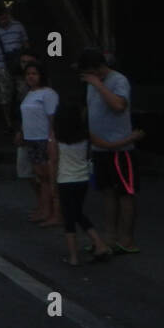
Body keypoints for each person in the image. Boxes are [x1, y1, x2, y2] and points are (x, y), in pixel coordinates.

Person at [79, 47, 138, 254]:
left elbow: (119, 106)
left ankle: (127, 239)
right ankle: (109, 237)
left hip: (120, 146)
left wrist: (98, 85)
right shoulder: (90, 84)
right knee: (107, 193)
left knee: (125, 193)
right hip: (99, 146)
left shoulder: (118, 80)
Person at [53, 104, 113, 266]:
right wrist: (129, 139)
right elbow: (105, 145)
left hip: (65, 179)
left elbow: (54, 160)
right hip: (82, 178)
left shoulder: (57, 136)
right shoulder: (85, 135)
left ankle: (74, 256)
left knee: (70, 218)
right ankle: (98, 244)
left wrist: (53, 184)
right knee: (77, 213)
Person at [17, 62, 59, 226]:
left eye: (34, 73)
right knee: (41, 177)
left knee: (49, 177)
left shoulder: (48, 93)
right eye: (28, 74)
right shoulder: (28, 94)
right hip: (31, 139)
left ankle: (54, 213)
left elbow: (52, 117)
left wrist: (51, 138)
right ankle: (43, 210)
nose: (31, 77)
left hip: (44, 138)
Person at [0, 6, 28, 134]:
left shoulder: (18, 26)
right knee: (4, 95)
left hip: (19, 66)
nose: (3, 21)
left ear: (8, 14)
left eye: (4, 17)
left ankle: (23, 120)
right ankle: (8, 122)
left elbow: (26, 44)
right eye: (0, 19)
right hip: (1, 66)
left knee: (24, 92)